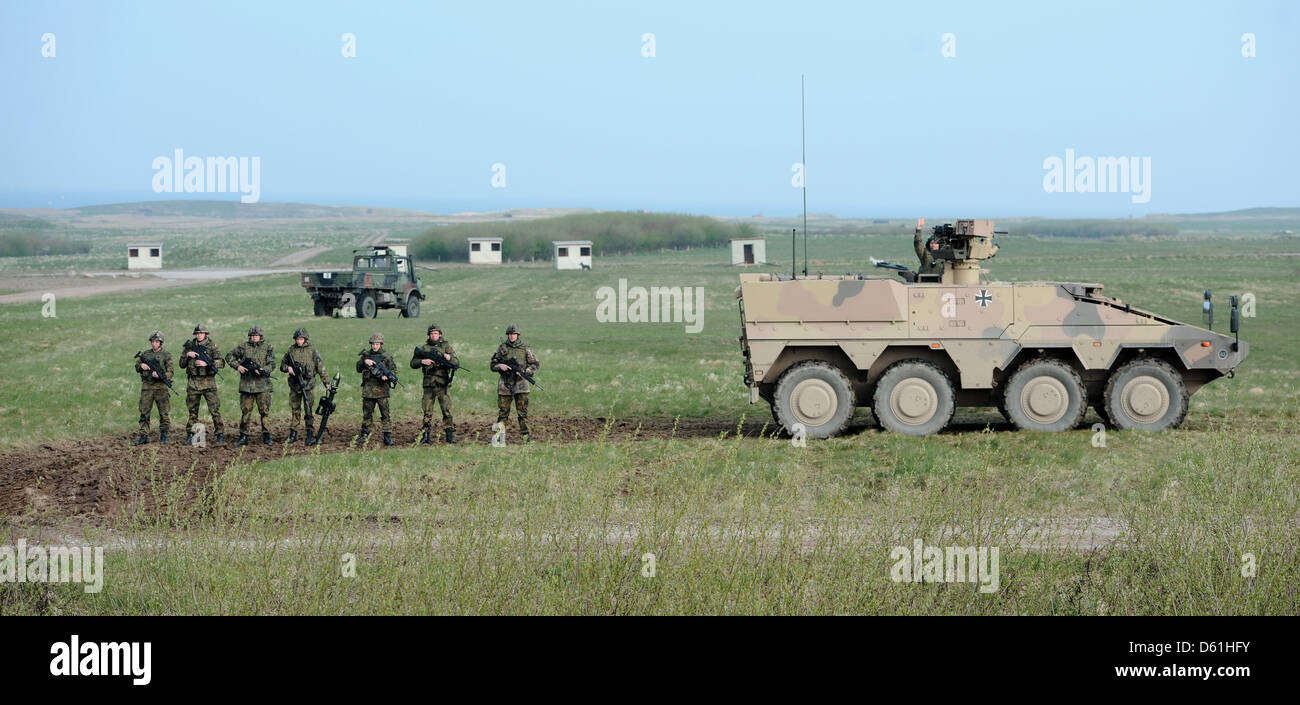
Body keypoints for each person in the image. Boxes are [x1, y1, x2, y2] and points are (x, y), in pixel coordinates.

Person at [226, 325, 276, 446]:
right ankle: (243, 437)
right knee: (246, 412)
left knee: (264, 412)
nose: (254, 338)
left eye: (256, 336)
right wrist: (238, 366)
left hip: (263, 385)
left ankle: (267, 436)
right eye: (252, 336)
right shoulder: (243, 347)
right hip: (246, 385)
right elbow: (229, 356)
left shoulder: (267, 348)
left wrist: (264, 370)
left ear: (260, 336)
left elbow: (272, 363)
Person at [490, 323, 539, 443]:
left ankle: (526, 438)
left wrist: (525, 371)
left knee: (523, 412)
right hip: (505, 383)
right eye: (510, 334)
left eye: (514, 334)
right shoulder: (502, 349)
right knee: (503, 413)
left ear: (518, 335)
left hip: (521, 384)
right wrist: (500, 366)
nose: (512, 336)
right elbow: (492, 365)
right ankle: (498, 439)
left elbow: (535, 364)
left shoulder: (525, 348)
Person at [411, 323, 459, 444]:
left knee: (446, 410)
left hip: (443, 384)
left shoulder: (446, 347)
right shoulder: (424, 348)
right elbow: (413, 363)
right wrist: (423, 361)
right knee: (427, 411)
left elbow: (456, 363)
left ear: (440, 334)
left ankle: (449, 434)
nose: (434, 335)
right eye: (431, 334)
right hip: (429, 384)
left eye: (436, 333)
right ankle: (425, 435)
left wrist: (449, 358)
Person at [280, 327, 328, 445]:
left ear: (305, 339)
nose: (299, 341)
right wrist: (289, 368)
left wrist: (326, 382)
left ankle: (310, 434)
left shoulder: (312, 350)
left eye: (301, 339)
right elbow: (282, 365)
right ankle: (293, 434)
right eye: (297, 339)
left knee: (308, 410)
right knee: (295, 410)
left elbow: (320, 367)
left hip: (308, 385)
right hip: (295, 385)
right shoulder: (291, 350)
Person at [180, 323, 224, 445]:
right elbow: (181, 364)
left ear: (205, 334)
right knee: (192, 411)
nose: (199, 335)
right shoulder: (190, 346)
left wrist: (207, 364)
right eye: (197, 333)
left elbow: (221, 362)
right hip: (193, 382)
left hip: (209, 382)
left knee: (214, 410)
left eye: (201, 333)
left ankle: (220, 434)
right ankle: (191, 435)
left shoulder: (212, 346)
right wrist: (187, 355)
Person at [133, 330, 173, 445]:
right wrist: (141, 365)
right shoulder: (145, 354)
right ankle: (144, 435)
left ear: (161, 343)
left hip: (161, 387)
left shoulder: (166, 355)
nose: (154, 343)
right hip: (147, 387)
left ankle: (164, 435)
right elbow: (137, 365)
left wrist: (161, 375)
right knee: (144, 412)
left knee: (164, 413)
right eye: (152, 341)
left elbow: (171, 372)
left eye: (156, 341)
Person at [356, 332, 396, 446]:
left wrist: (387, 377)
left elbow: (393, 371)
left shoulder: (387, 356)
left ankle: (387, 436)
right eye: (373, 344)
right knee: (367, 414)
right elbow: (358, 368)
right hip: (368, 390)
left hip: (382, 390)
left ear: (381, 344)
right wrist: (364, 362)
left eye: (377, 344)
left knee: (385, 414)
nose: (374, 346)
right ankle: (365, 434)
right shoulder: (366, 355)